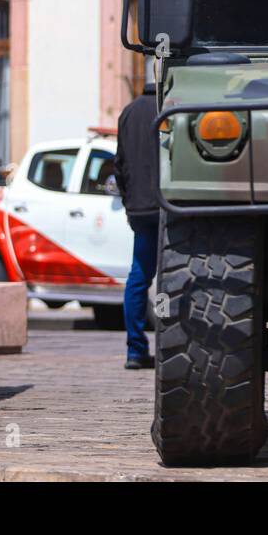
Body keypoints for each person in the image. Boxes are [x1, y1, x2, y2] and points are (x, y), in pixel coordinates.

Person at [114, 82, 160, 370]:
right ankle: (171, 345)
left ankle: (135, 347)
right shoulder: (168, 108)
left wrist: (128, 201)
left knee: (138, 277)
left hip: (139, 207)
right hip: (169, 205)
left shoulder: (128, 113)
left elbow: (118, 164)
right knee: (173, 278)